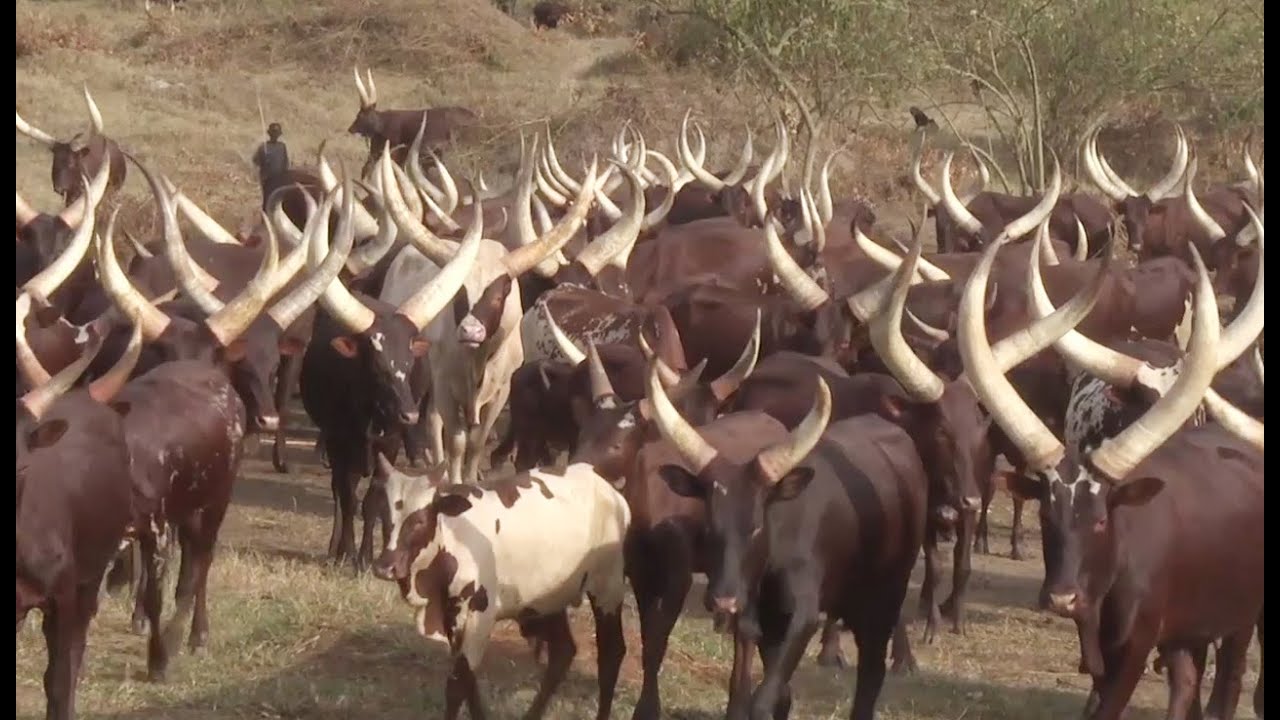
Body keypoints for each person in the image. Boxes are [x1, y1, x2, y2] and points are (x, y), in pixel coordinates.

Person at [252, 122, 290, 211]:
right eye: (273, 133)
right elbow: (256, 161)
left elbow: (286, 162)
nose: (275, 135)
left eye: (276, 133)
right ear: (270, 134)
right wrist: (264, 159)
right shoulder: (263, 147)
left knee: (279, 200)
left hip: (280, 178)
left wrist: (285, 175)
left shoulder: (282, 146)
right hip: (267, 179)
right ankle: (265, 215)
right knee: (267, 199)